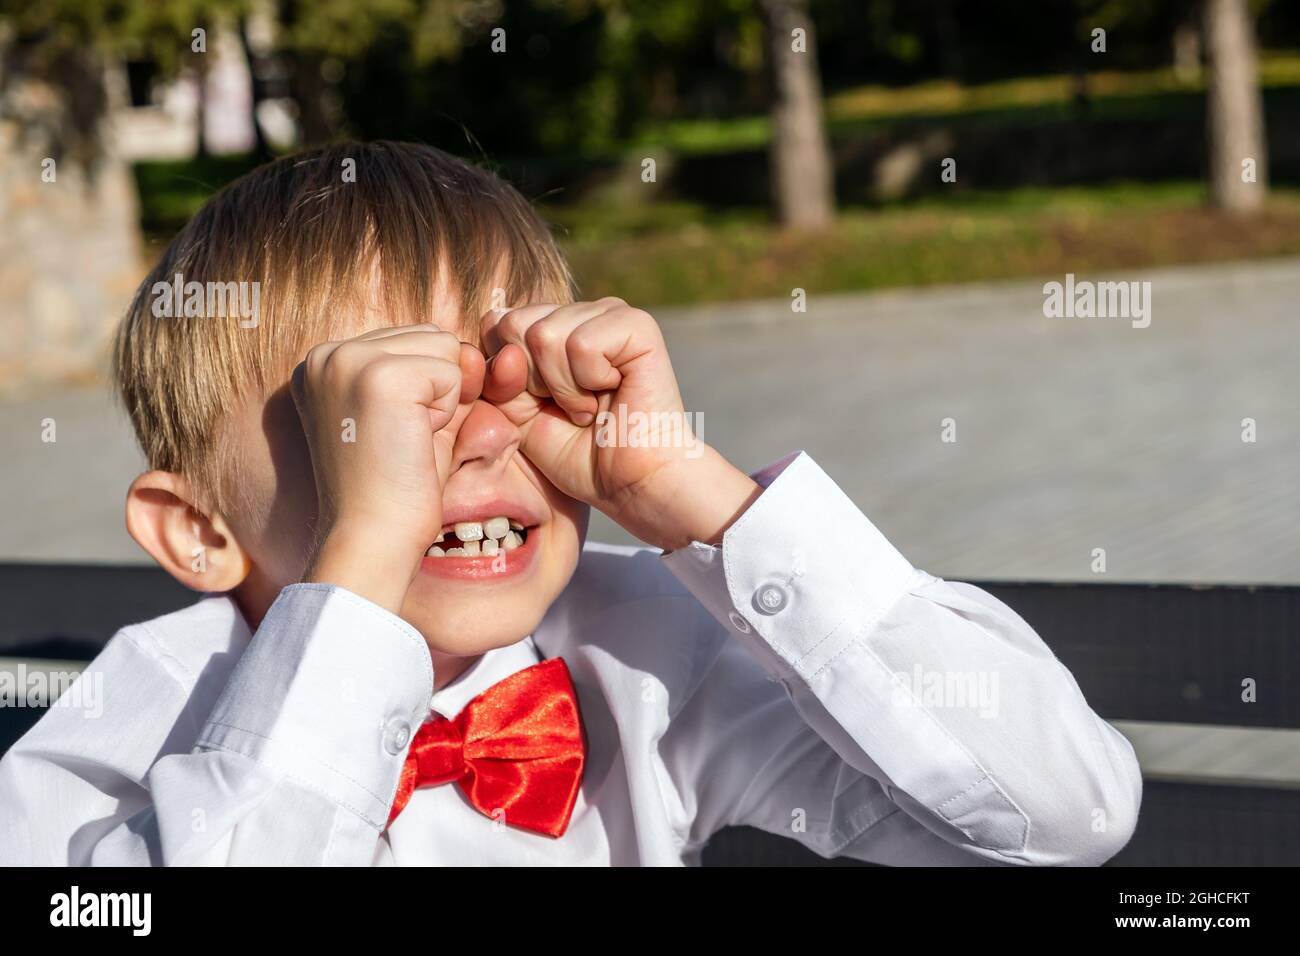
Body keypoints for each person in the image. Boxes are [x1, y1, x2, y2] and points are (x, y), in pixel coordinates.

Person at [0, 141, 1141, 866]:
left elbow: (1064, 812)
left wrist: (705, 500)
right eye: (377, 412)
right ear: (199, 528)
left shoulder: (647, 654)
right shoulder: (127, 729)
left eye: (515, 380)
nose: (485, 432)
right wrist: (366, 559)